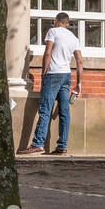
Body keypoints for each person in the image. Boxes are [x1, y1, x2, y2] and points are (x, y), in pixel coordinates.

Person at [18, 13, 82, 155]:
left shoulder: (53, 31)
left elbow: (48, 53)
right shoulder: (73, 38)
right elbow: (79, 61)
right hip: (66, 75)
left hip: (53, 74)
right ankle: (62, 146)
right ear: (67, 24)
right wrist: (79, 83)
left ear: (55, 21)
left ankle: (38, 143)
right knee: (64, 111)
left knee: (45, 109)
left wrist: (43, 72)